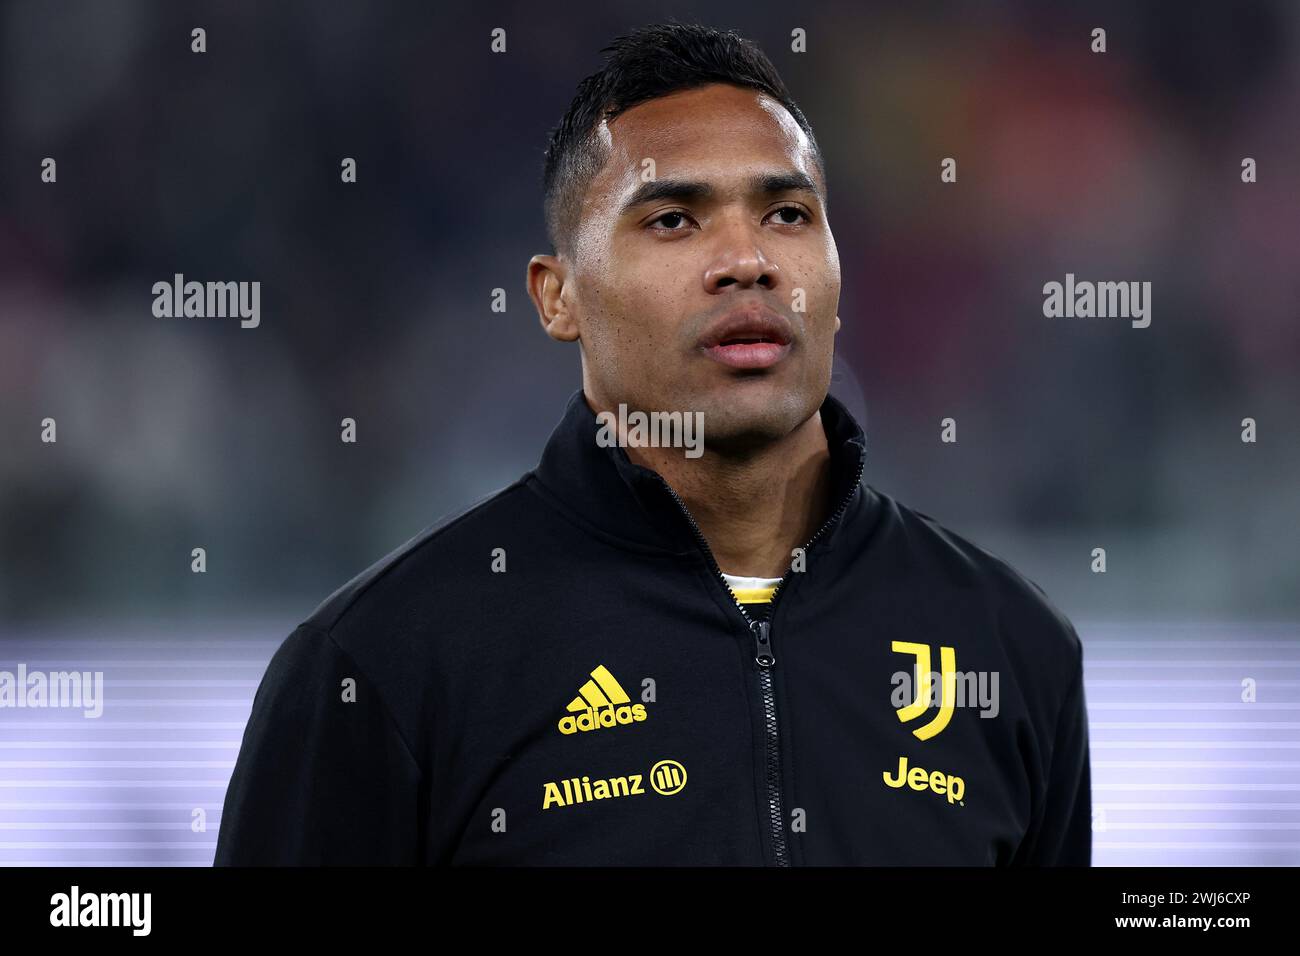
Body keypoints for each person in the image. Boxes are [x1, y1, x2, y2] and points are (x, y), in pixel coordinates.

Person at [214, 21, 1090, 866]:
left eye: (787, 214)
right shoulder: (379, 666)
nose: (747, 260)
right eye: (674, 220)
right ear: (558, 299)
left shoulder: (1011, 646)